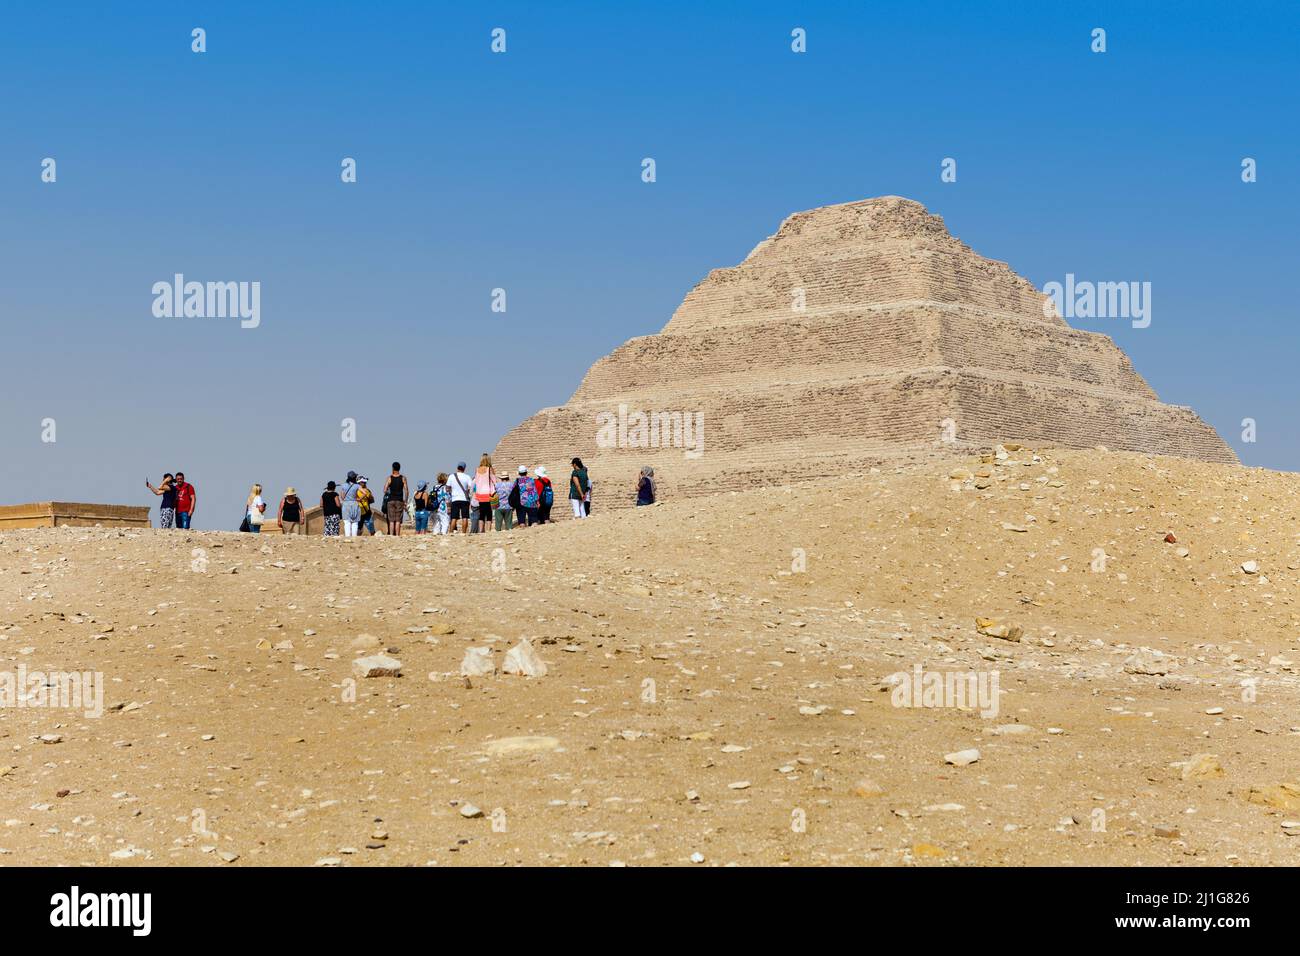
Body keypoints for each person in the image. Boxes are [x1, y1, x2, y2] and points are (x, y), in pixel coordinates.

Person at [472, 454, 498, 534]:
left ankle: (481, 530)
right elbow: (495, 481)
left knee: (482, 513)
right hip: (488, 494)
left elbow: (476, 481)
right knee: (489, 513)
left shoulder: (477, 469)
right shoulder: (490, 469)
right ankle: (488, 530)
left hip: (479, 494)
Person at [447, 462, 472, 534]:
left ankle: (451, 533)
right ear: (464, 468)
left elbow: (447, 488)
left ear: (457, 467)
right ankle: (464, 533)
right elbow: (470, 487)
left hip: (455, 499)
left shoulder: (451, 476)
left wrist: (452, 491)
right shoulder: (467, 477)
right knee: (465, 517)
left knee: (454, 517)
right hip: (464, 499)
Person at [384, 462, 408, 536]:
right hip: (399, 500)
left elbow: (384, 490)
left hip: (391, 500)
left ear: (392, 468)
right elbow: (406, 490)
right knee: (398, 520)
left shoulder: (389, 478)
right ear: (399, 468)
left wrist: (388, 491)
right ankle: (397, 535)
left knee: (391, 520)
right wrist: (406, 501)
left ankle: (391, 535)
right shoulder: (403, 478)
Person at [341, 471, 362, 537]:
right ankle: (354, 537)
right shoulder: (357, 486)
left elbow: (342, 497)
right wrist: (359, 499)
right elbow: (364, 493)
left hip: (346, 504)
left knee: (347, 522)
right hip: (355, 503)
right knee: (355, 522)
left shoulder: (344, 485)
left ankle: (347, 536)